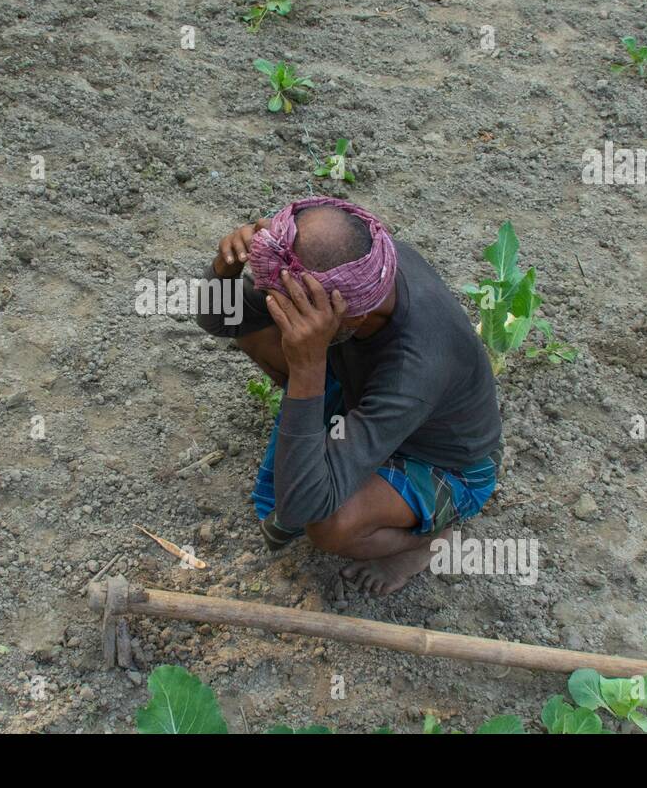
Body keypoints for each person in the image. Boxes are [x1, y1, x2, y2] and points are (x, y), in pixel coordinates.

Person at [196, 197, 503, 595]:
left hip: (443, 461)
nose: (285, 311)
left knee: (331, 525)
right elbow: (221, 320)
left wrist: (308, 367)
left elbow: (303, 506)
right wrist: (225, 272)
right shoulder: (360, 268)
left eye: (298, 310)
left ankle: (428, 544)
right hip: (365, 395)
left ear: (351, 314)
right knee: (252, 323)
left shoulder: (419, 361)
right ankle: (323, 415)